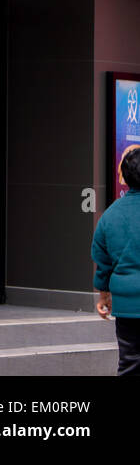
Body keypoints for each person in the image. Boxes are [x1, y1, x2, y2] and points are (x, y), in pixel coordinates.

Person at [91, 144, 140, 375]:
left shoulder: (110, 216)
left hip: (128, 306)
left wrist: (103, 296)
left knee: (130, 363)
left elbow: (103, 262)